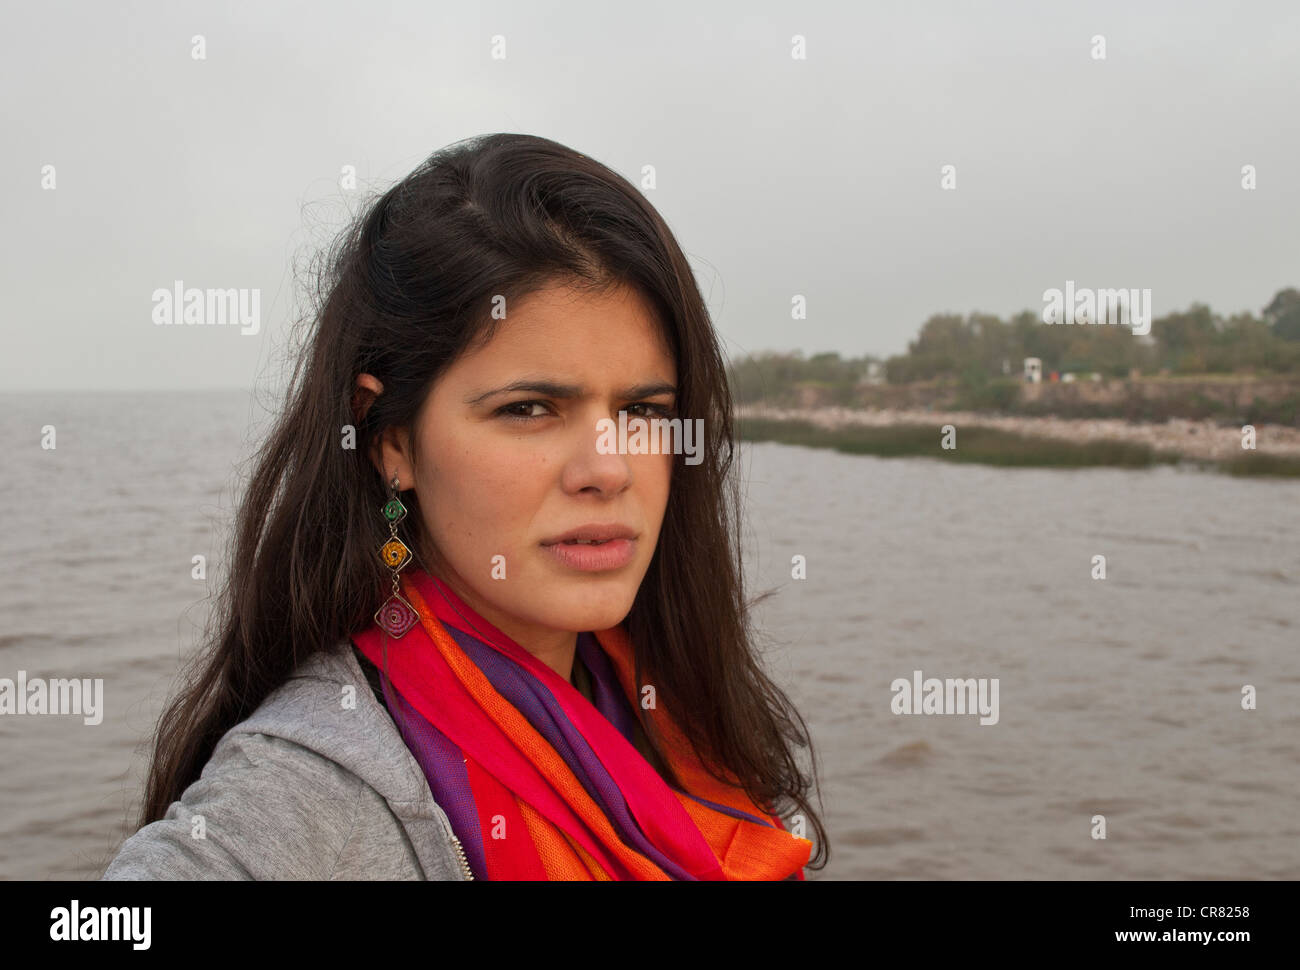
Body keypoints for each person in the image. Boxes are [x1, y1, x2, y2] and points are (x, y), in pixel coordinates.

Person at [102, 133, 827, 880]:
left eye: (642, 409)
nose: (609, 469)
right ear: (391, 441)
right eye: (530, 409)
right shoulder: (313, 787)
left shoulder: (675, 710)